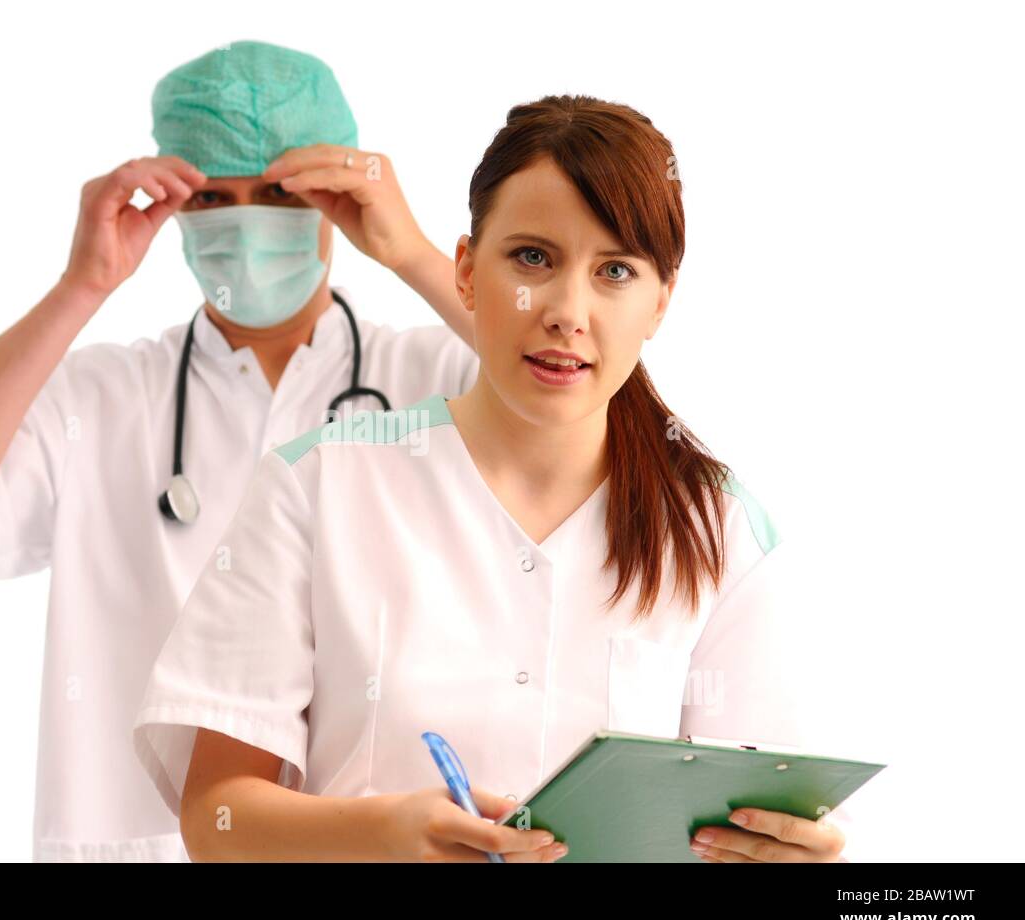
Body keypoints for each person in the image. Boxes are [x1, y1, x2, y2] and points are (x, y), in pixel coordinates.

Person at [133, 94, 854, 862]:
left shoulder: (721, 533)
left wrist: (792, 857)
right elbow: (214, 815)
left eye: (615, 270)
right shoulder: (318, 485)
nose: (567, 312)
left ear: (660, 303)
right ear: (468, 272)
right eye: (533, 258)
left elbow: (755, 820)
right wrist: (380, 834)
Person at [0, 40, 480, 862]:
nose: (246, 221)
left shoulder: (437, 375)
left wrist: (414, 255)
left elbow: (611, 414)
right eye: (214, 195)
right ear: (175, 205)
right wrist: (82, 286)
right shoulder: (100, 399)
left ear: (337, 198)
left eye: (282, 194)